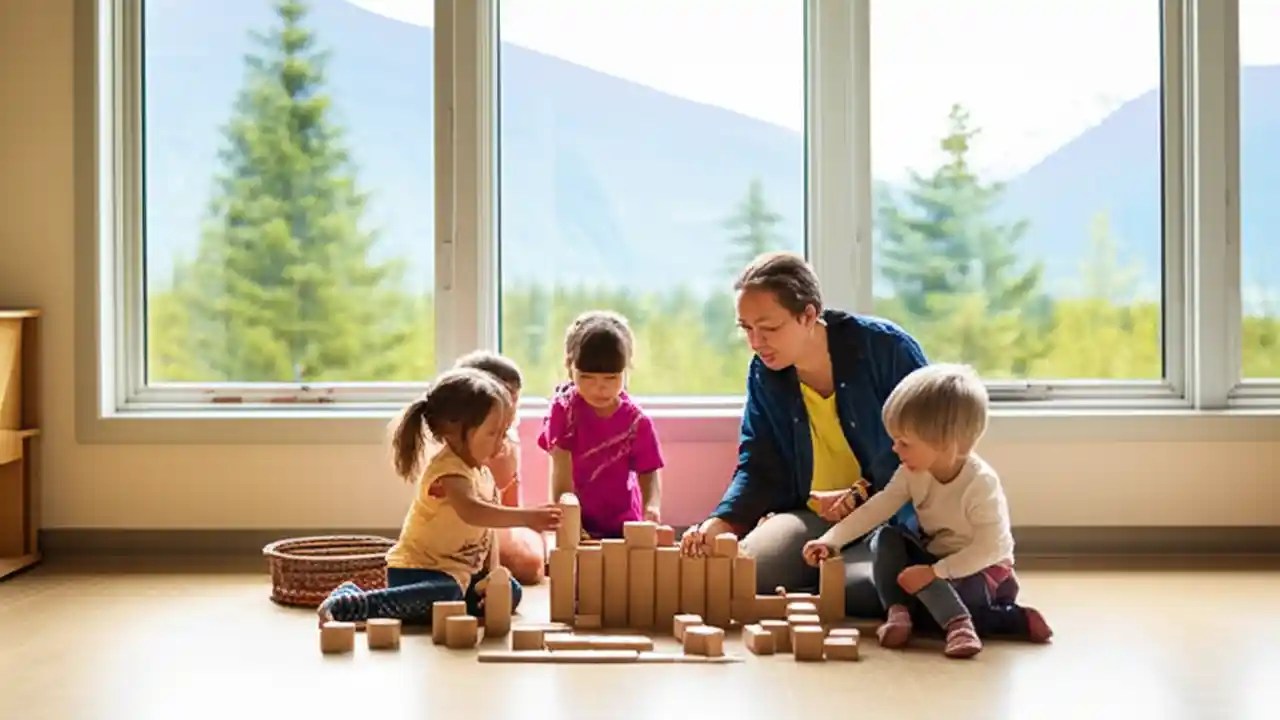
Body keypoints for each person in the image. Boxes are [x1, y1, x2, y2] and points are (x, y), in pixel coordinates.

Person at [680, 251, 927, 618]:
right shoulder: (765, 374)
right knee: (743, 572)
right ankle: (824, 571)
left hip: (890, 517)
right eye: (746, 328)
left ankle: (856, 574)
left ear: (808, 315)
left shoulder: (885, 349)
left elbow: (929, 443)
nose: (756, 342)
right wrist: (722, 521)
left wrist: (860, 493)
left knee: (860, 589)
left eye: (769, 328)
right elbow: (758, 465)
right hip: (811, 518)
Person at [803, 363, 1053, 658]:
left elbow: (990, 547)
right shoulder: (913, 471)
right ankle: (899, 613)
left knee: (935, 603)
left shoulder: (980, 483)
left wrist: (935, 572)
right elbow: (878, 507)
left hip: (981, 569)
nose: (895, 449)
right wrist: (831, 540)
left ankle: (992, 621)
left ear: (947, 445)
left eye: (904, 443)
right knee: (885, 537)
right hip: (937, 559)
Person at [317, 367, 561, 624]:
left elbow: (488, 537)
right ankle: (356, 604)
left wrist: (493, 575)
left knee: (509, 589)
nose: (501, 442)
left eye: (504, 432)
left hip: (460, 575)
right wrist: (526, 518)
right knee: (447, 594)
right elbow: (473, 511)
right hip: (419, 572)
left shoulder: (482, 473)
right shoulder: (448, 471)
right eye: (492, 433)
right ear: (453, 433)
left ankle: (454, 600)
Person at [537, 310, 665, 540]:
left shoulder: (636, 422)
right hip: (577, 519)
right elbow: (560, 471)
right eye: (587, 378)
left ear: (626, 371)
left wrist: (652, 509)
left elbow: (649, 471)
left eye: (611, 378)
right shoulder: (564, 411)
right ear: (570, 368)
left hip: (623, 522)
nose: (600, 388)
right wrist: (568, 520)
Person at [454, 350, 546, 586]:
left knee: (539, 546)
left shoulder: (509, 440)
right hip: (472, 527)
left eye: (515, 399)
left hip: (502, 521)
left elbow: (512, 496)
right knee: (530, 563)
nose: (511, 408)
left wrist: (525, 524)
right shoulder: (467, 443)